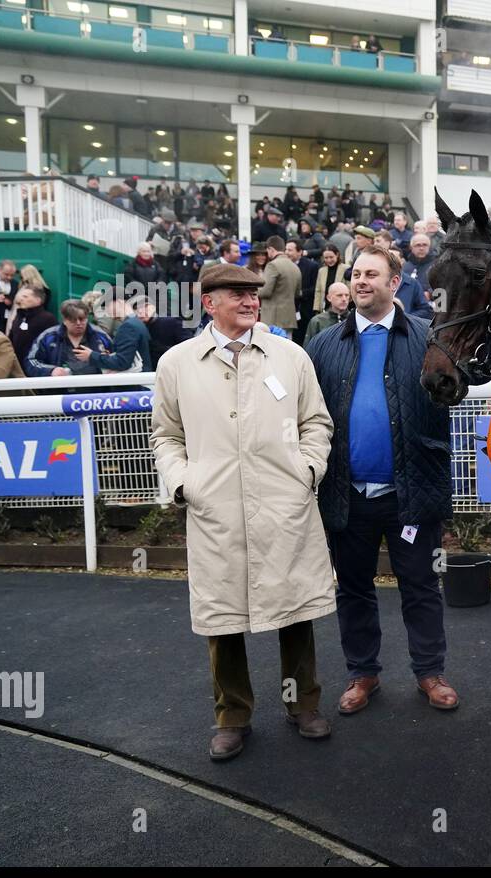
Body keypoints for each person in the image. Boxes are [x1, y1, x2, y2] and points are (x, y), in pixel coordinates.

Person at [151, 263, 335, 761]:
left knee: (295, 610)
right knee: (221, 618)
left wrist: (309, 470)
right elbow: (166, 436)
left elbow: (316, 422)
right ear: (208, 302)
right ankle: (232, 716)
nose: (250, 301)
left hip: (284, 504)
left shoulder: (290, 356)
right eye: (237, 294)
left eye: (253, 293)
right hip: (215, 508)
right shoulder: (177, 363)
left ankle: (303, 705)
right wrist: (184, 482)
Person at [305, 247, 460, 716]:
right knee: (353, 589)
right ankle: (362, 673)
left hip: (411, 491)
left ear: (396, 283)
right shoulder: (324, 344)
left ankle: (430, 673)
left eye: (372, 274)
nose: (361, 281)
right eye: (355, 274)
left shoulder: (430, 336)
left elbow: (451, 394)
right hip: (346, 494)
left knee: (421, 587)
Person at [25, 300, 113, 377]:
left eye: (82, 319)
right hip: (59, 391)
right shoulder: (48, 337)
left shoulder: (101, 336)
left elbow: (116, 359)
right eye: (73, 320)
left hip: (95, 392)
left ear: (87, 318)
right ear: (64, 320)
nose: (78, 323)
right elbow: (31, 361)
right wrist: (51, 371)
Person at [81, 295, 153, 373]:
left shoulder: (128, 326)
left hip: (135, 381)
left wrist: (91, 356)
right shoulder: (136, 322)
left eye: (107, 306)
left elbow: (122, 362)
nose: (106, 311)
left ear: (119, 302)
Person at [259, 235, 302, 341]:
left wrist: (252, 290)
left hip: (273, 318)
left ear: (271, 249)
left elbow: (265, 291)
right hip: (289, 318)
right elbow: (297, 293)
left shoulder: (272, 265)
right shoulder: (295, 266)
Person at [5, 285, 57, 370]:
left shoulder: (48, 319)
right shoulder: (19, 316)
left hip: (36, 368)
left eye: (25, 296)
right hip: (17, 367)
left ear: (38, 300)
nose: (21, 299)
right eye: (21, 296)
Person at [303, 282, 352, 347]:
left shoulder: (354, 319)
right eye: (339, 295)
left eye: (347, 295)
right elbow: (308, 347)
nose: (344, 299)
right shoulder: (318, 321)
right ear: (329, 298)